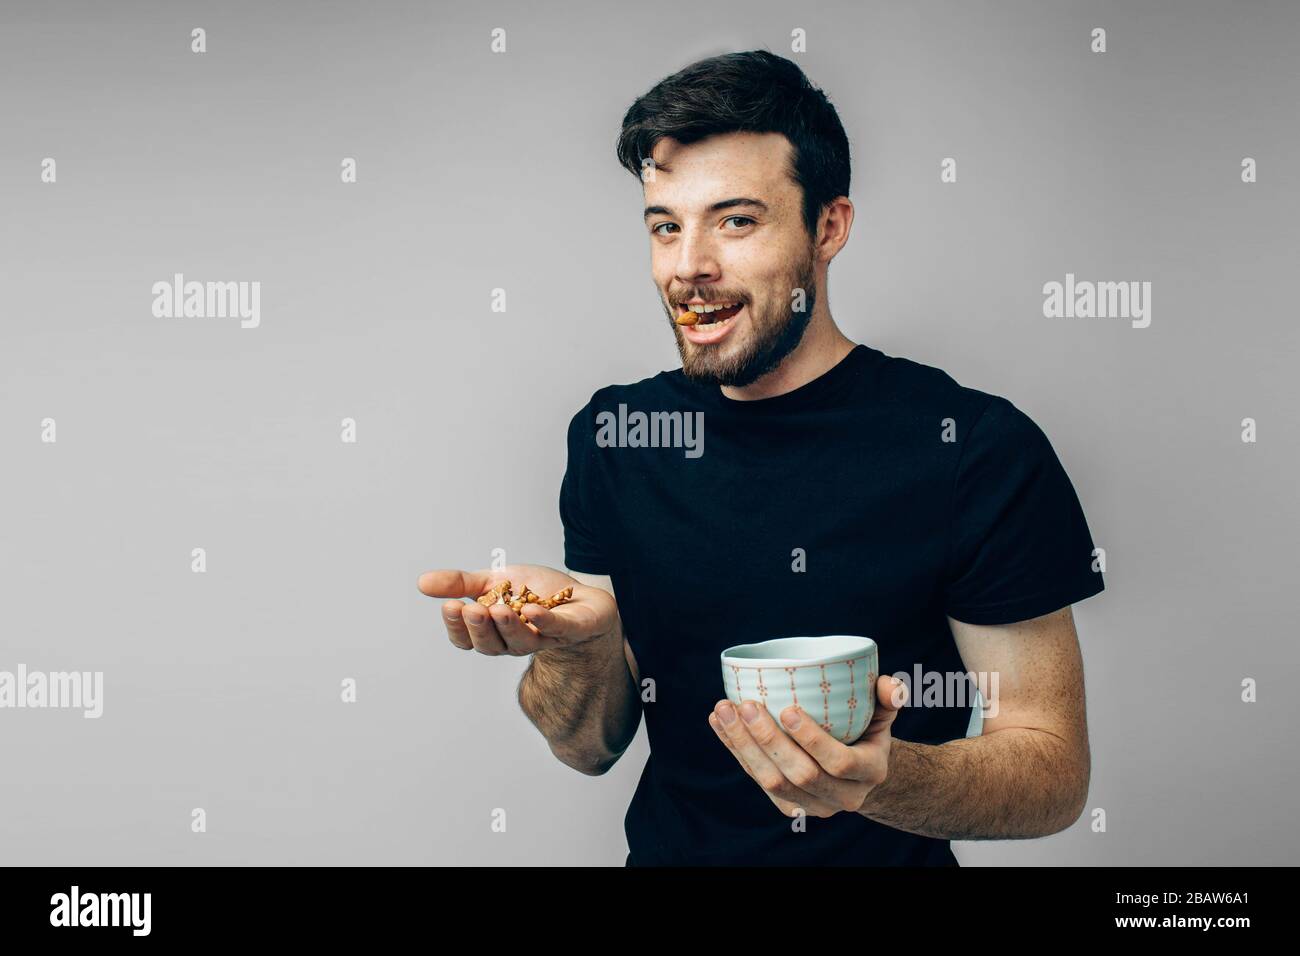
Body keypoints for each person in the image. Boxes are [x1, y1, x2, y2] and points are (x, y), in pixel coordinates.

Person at [418, 50, 1105, 866]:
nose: (687, 267)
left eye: (736, 221)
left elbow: (1053, 768)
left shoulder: (976, 450)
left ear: (830, 227)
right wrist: (583, 647)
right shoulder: (616, 435)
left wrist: (876, 779)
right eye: (666, 225)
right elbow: (586, 747)